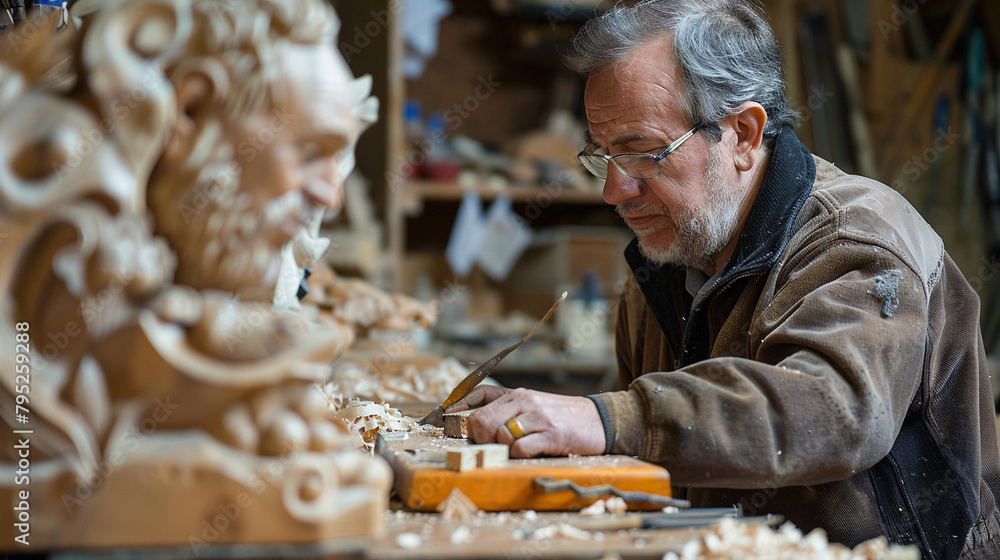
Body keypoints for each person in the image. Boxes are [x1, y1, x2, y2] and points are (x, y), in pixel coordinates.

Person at [448, 0, 1000, 556]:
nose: (614, 191)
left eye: (641, 153)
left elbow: (834, 411)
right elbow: (666, 453)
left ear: (742, 134)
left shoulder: (857, 240)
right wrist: (547, 428)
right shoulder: (666, 257)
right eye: (603, 155)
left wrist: (606, 417)